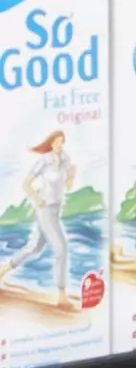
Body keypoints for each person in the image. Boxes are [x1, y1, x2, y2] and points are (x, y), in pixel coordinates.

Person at [2, 130, 75, 304]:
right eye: (56, 143)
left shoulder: (65, 159)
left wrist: (72, 176)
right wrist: (37, 199)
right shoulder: (44, 161)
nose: (59, 145)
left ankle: (3, 270)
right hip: (45, 210)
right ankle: (62, 296)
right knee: (61, 248)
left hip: (56, 210)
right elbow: (26, 184)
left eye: (61, 142)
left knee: (34, 247)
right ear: (50, 144)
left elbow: (67, 184)